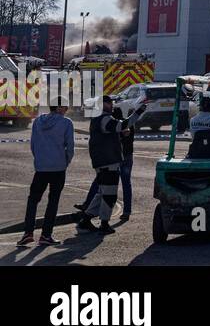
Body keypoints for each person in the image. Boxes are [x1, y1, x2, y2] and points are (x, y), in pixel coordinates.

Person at [18, 104, 75, 247]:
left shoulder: (38, 121)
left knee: (33, 200)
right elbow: (70, 146)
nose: (66, 110)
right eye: (65, 108)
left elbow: (33, 144)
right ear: (59, 108)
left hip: (41, 168)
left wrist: (39, 160)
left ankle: (27, 233)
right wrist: (65, 162)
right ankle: (46, 235)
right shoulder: (66, 122)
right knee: (53, 201)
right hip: (58, 168)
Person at [80, 106, 141, 224]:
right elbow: (125, 132)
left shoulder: (105, 123)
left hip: (110, 160)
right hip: (118, 159)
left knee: (101, 189)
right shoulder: (115, 123)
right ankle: (115, 216)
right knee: (116, 190)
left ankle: (89, 214)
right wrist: (138, 112)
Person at [77, 106, 123, 234]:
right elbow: (122, 125)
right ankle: (104, 223)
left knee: (102, 193)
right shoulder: (105, 119)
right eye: (110, 103)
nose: (112, 105)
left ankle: (85, 220)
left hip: (101, 162)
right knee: (109, 195)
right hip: (108, 162)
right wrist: (139, 112)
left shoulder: (96, 119)